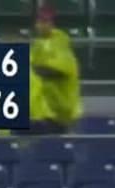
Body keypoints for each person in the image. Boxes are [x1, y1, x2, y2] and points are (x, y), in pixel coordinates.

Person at [29, 4, 82, 134]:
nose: (40, 25)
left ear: (53, 24)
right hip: (45, 113)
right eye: (38, 21)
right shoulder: (37, 46)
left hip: (64, 116)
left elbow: (53, 71)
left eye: (45, 21)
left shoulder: (61, 46)